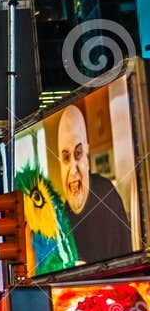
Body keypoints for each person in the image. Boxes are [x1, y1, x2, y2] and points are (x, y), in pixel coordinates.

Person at [56, 103, 133, 264]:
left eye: (78, 154)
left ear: (87, 153)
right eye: (66, 157)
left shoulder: (106, 194)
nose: (73, 169)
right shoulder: (62, 216)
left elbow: (127, 258)